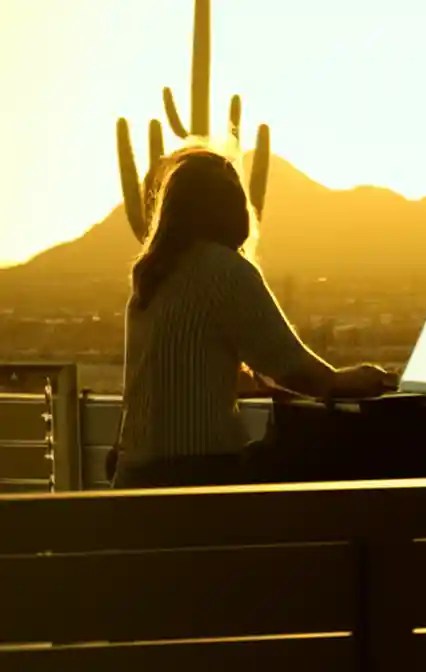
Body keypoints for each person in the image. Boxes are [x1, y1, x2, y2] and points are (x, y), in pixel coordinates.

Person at [111, 145, 397, 488]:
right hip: (196, 474)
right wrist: (349, 379)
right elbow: (292, 367)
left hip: (134, 477)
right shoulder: (223, 271)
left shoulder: (153, 277)